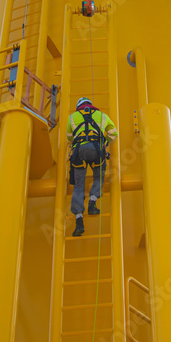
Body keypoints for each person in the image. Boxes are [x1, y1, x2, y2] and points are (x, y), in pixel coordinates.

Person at [67, 96, 118, 237]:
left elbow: (69, 137)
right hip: (96, 150)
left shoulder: (72, 117)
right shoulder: (102, 116)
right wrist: (104, 143)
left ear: (79, 107)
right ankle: (93, 203)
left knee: (78, 185)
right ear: (90, 105)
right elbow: (114, 134)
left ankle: (78, 221)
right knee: (99, 176)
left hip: (79, 152)